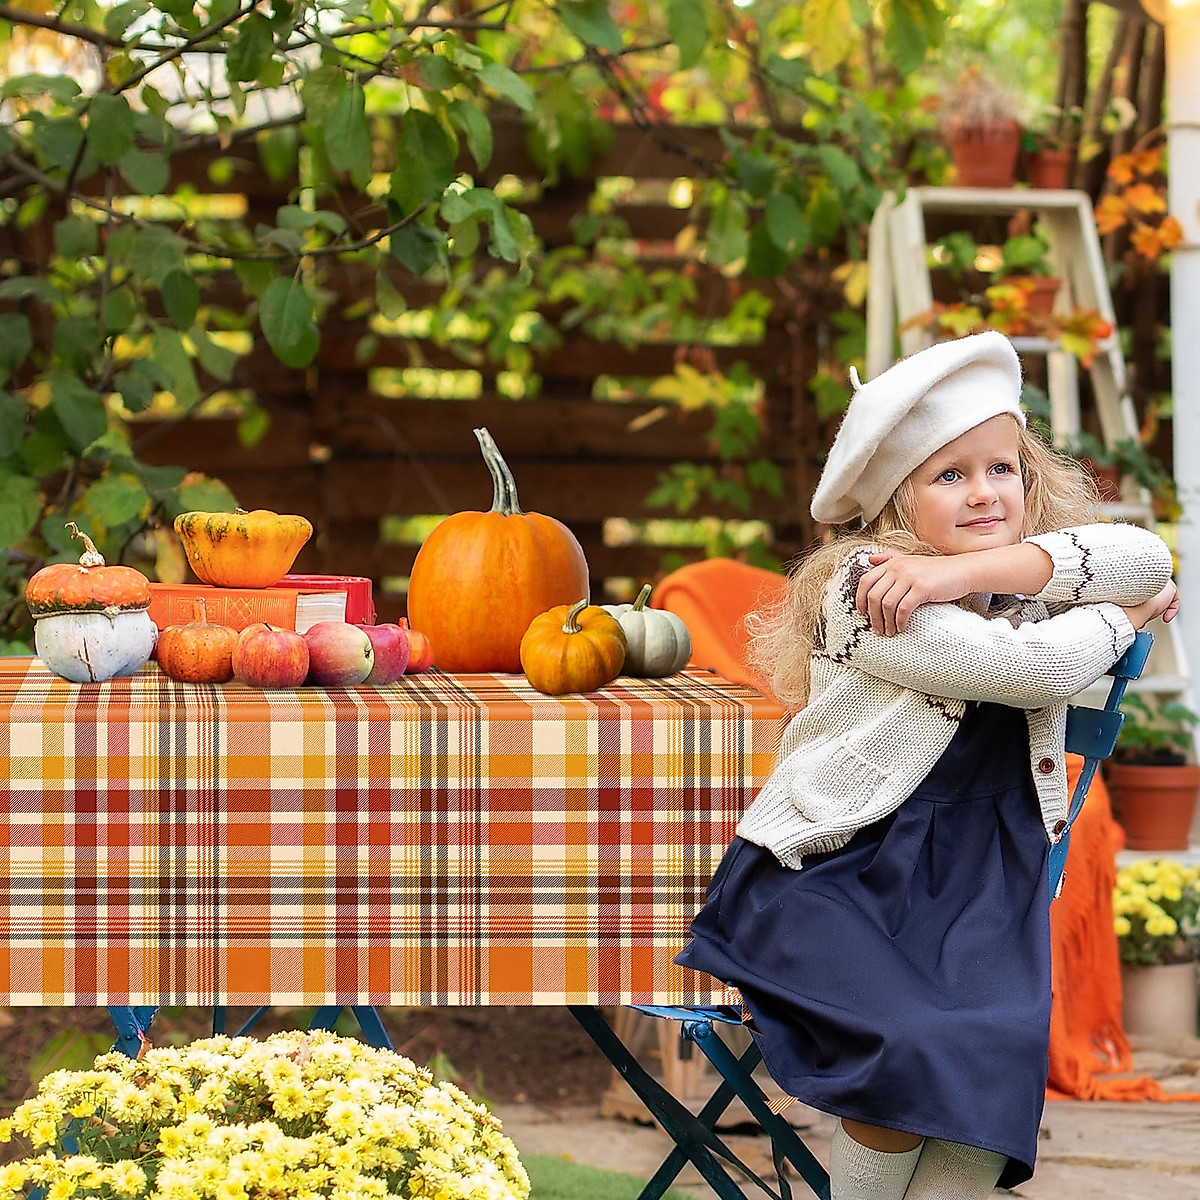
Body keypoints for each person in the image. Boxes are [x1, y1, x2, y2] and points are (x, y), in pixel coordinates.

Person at [675, 331, 1178, 1200]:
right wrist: (1126, 617)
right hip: (845, 878)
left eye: (1001, 468)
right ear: (893, 504)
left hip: (983, 883)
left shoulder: (1013, 577)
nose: (983, 492)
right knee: (908, 1053)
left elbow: (1151, 556)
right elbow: (1032, 671)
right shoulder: (867, 588)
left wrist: (974, 568)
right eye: (949, 475)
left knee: (991, 1071)